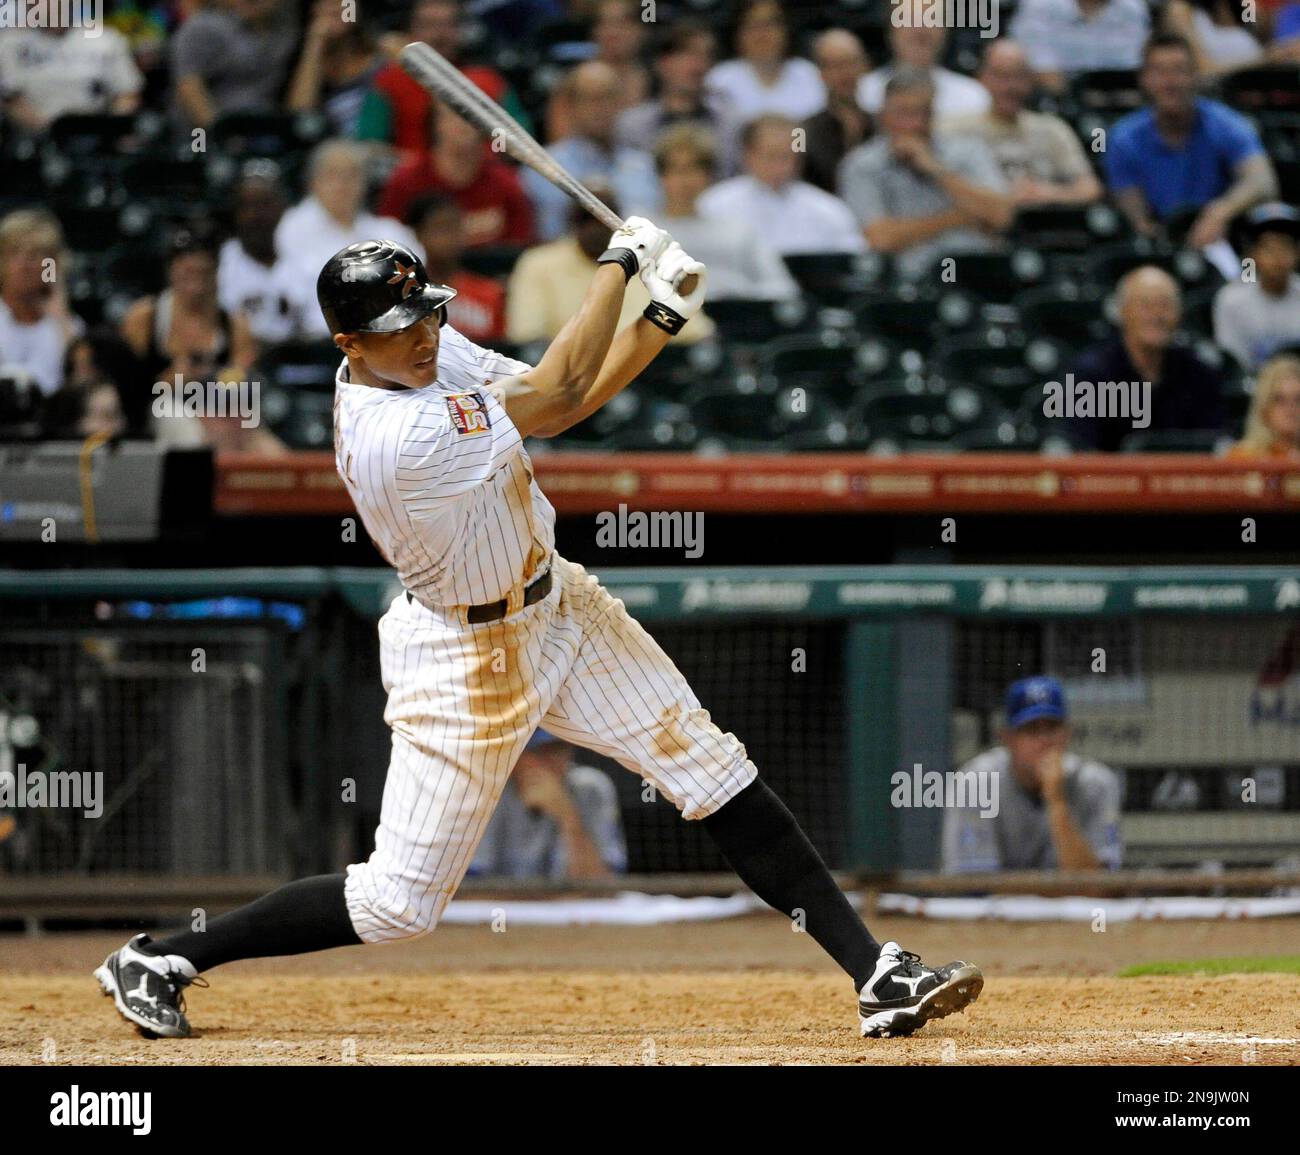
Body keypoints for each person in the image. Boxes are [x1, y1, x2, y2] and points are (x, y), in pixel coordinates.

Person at [93, 226, 983, 1043]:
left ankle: (876, 973)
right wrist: (615, 265)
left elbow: (568, 392)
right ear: (347, 346)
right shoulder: (389, 432)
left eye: (428, 312)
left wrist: (659, 313)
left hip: (559, 606)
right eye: (400, 325)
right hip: (461, 655)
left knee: (711, 768)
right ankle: (166, 956)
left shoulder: (431, 359)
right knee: (398, 902)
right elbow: (553, 395)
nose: (425, 334)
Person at [839, 69, 1013, 280]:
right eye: (904, 113)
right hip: (907, 281)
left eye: (923, 113)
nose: (916, 124)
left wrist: (936, 170)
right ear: (883, 116)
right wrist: (959, 217)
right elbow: (880, 239)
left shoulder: (968, 151)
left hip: (979, 272)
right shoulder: (862, 165)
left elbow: (1002, 216)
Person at [1106, 34, 1278, 248]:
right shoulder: (1124, 139)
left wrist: (1221, 211)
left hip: (1221, 241)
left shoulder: (1227, 124)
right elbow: (1138, 220)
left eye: (1179, 70)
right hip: (1158, 246)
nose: (1170, 82)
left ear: (1196, 75)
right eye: (1160, 72)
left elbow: (1263, 182)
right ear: (1144, 79)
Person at [942, 677, 1124, 872]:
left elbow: (1101, 886)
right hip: (996, 904)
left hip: (1072, 903)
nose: (1045, 741)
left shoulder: (1095, 783)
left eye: (1052, 728)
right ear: (1007, 739)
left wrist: (1056, 801)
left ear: (1067, 734)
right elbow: (973, 885)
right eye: (1031, 730)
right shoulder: (976, 782)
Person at [507, 189, 717, 344]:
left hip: (650, 374)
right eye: (585, 220)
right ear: (571, 224)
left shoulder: (647, 258)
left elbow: (699, 331)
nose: (595, 229)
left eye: (602, 221)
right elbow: (527, 335)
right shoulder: (538, 263)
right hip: (570, 380)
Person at [1066, 265, 1225, 450]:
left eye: (1165, 305)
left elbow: (1214, 446)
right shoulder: (1091, 375)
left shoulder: (1198, 372)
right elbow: (1082, 453)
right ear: (1121, 311)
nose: (1157, 316)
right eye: (1146, 305)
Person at [275, 140, 422, 337]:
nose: (343, 184)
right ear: (314, 182)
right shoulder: (295, 227)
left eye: (352, 175)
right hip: (320, 340)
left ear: (365, 183)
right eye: (333, 174)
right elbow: (297, 293)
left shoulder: (387, 231)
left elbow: (415, 277)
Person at [357, 0, 530, 160]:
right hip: (410, 180)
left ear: (461, 30)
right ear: (411, 30)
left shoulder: (488, 82)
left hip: (481, 179)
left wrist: (487, 158)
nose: (438, 34)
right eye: (429, 25)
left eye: (447, 25)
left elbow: (519, 141)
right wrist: (417, 166)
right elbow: (370, 143)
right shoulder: (390, 82)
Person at [947, 40, 1102, 207]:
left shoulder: (1052, 129)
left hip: (1042, 223)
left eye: (1019, 76)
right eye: (1001, 76)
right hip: (978, 225)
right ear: (982, 78)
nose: (1011, 87)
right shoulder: (953, 130)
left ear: (1031, 80)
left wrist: (1046, 192)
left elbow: (1090, 188)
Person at [655, 123, 798, 301]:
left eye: (695, 170)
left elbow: (781, 286)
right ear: (662, 175)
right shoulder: (644, 233)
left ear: (708, 176)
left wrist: (739, 295)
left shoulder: (737, 231)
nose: (685, 181)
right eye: (677, 170)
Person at [523, 61, 661, 242]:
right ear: (571, 106)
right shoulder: (541, 170)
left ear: (620, 102)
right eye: (590, 99)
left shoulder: (647, 167)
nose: (600, 107)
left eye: (607, 97)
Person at [467, 729, 626, 880]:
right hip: (498, 910)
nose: (552, 761)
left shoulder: (590, 789)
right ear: (512, 754)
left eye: (558, 749)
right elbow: (466, 892)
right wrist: (555, 898)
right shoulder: (484, 792)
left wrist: (568, 816)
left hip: (568, 909)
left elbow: (603, 887)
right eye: (538, 751)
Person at [696, 114, 865, 255]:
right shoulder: (714, 205)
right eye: (771, 156)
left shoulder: (829, 210)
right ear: (748, 155)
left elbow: (851, 257)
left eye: (786, 157)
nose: (779, 166)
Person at [377, 101, 535, 246]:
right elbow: (387, 242)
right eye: (454, 115)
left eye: (471, 117)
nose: (463, 124)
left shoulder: (506, 183)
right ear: (436, 124)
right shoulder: (407, 181)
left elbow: (521, 245)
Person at [617, 21, 744, 179]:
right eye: (688, 55)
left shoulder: (729, 123)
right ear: (663, 63)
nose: (698, 66)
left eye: (705, 55)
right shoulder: (633, 125)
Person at [170, 0, 298, 131]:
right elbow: (189, 87)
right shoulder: (204, 27)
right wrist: (221, 134)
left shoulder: (287, 31)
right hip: (216, 131)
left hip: (268, 127)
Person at [0, 18, 143, 132]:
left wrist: (113, 129)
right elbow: (11, 98)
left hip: (94, 131)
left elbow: (127, 93)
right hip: (34, 137)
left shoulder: (104, 38)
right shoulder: (10, 42)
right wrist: (46, 129)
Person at [217, 161, 303, 347]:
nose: (254, 215)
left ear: (284, 207)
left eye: (265, 204)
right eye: (245, 206)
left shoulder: (307, 258)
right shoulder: (219, 264)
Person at [0, 208, 82, 397]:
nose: (24, 264)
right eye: (14, 253)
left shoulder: (69, 326)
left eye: (35, 254)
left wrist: (61, 315)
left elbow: (82, 387)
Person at [704, 0, 826, 125]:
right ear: (738, 33)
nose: (763, 33)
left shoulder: (810, 75)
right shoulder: (719, 79)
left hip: (801, 144)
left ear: (786, 29)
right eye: (753, 25)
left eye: (771, 23)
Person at [1213, 203, 1300, 370]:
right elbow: (1233, 367)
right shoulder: (1231, 300)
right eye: (1269, 247)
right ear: (1253, 253)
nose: (1278, 256)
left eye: (1285, 245)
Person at [409, 194, 506, 344]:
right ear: (418, 234)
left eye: (456, 227)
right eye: (440, 228)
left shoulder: (490, 293)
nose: (449, 238)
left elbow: (502, 349)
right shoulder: (405, 295)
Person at [856, 12, 989, 122]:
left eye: (932, 19)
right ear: (890, 30)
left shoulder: (972, 96)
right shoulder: (864, 90)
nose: (921, 30)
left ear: (946, 30)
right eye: (910, 20)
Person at [285, 0, 385, 137]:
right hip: (325, 143)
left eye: (342, 2)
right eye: (326, 2)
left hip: (375, 141)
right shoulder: (306, 59)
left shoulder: (383, 52)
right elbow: (300, 113)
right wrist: (315, 43)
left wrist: (349, 20)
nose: (335, 8)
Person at [1009, 0, 1151, 92]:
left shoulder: (1132, 8)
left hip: (1122, 99)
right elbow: (1040, 67)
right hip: (1060, 100)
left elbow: (1139, 64)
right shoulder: (1039, 5)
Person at [801, 28, 873, 195]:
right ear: (820, 73)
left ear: (865, 66)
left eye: (851, 63)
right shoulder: (800, 131)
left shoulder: (884, 125)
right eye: (834, 65)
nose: (844, 74)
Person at [1161, 0, 1265, 77]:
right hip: (1215, 93)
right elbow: (1202, 70)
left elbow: (1263, 42)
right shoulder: (1180, 9)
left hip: (1255, 87)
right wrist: (1261, 62)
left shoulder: (1245, 5)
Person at [1227, 354, 1300, 458]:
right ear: (1264, 406)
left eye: (1298, 400)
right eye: (1279, 399)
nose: (1290, 408)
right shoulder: (1242, 457)